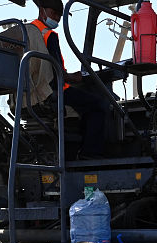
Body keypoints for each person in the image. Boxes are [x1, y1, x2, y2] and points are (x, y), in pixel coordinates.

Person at [30, 0, 108, 158]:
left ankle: (74, 147)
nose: (57, 19)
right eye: (54, 14)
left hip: (29, 94)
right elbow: (58, 72)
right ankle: (89, 153)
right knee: (98, 105)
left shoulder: (27, 31)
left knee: (84, 104)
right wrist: (76, 77)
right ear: (42, 10)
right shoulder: (48, 35)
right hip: (52, 91)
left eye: (59, 16)